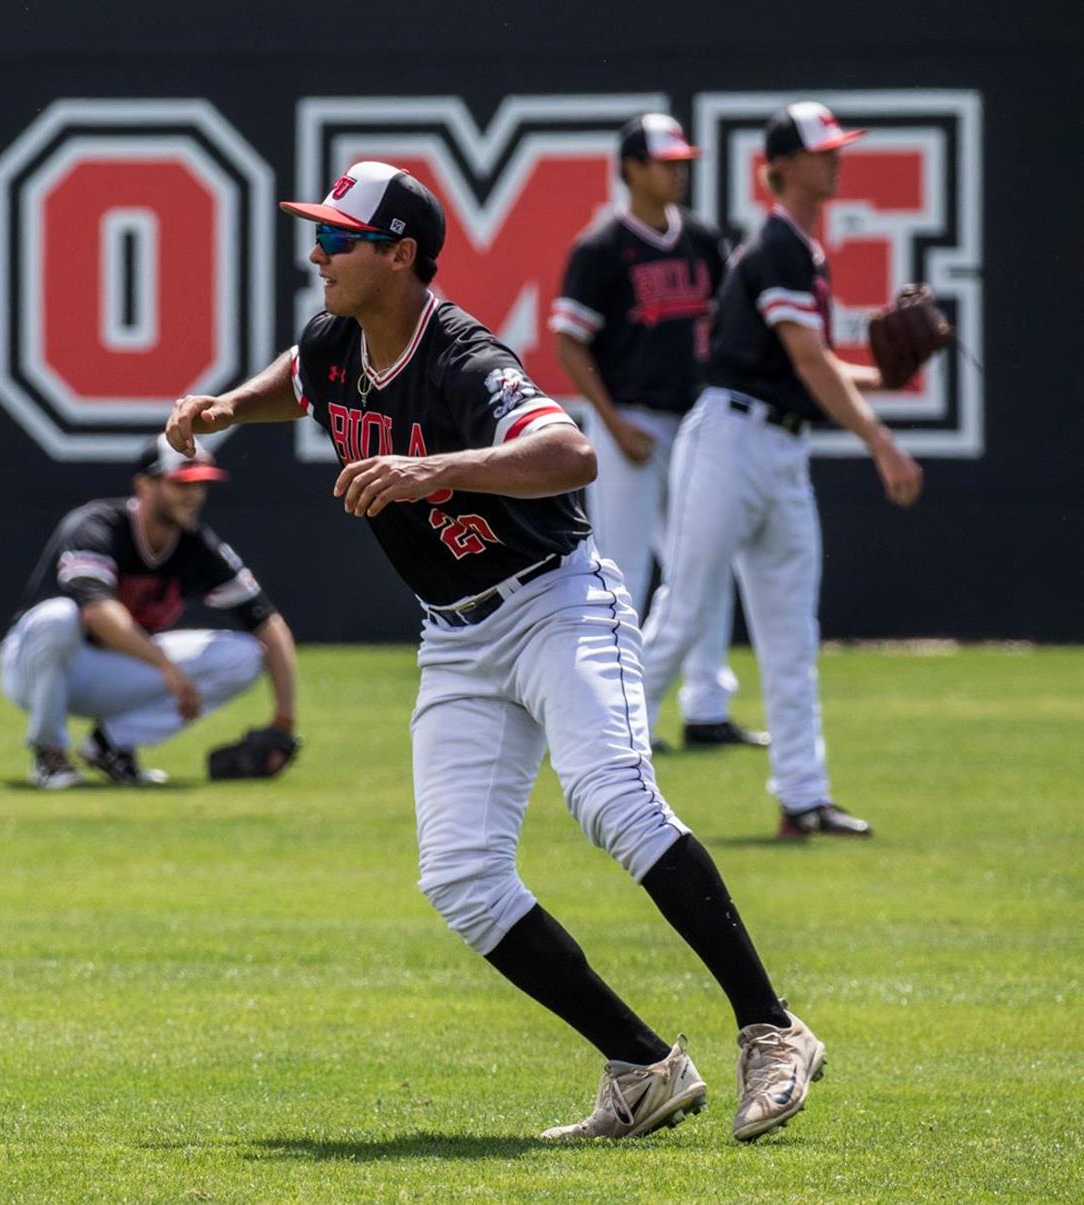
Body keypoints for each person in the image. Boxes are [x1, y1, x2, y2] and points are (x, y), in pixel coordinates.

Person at [164, 160, 826, 1142]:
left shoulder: (462, 357)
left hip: (555, 602)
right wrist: (226, 405)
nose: (318, 253)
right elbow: (298, 379)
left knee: (612, 800)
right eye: (318, 234)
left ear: (400, 255)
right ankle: (643, 1066)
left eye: (338, 238)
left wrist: (433, 466)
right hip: (455, 634)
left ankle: (771, 1028)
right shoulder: (334, 340)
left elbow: (571, 452)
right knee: (460, 875)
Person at [641, 103, 923, 840]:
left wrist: (880, 381)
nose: (836, 159)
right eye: (822, 151)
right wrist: (881, 440)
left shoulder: (804, 252)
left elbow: (813, 365)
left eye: (837, 148)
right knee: (685, 608)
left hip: (782, 449)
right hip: (729, 440)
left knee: (793, 634)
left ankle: (803, 797)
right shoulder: (776, 247)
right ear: (784, 167)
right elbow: (808, 359)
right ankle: (601, 763)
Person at [550, 113, 767, 750]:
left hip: (695, 423)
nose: (680, 172)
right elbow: (568, 343)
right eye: (667, 163)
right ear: (632, 169)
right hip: (630, 421)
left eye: (683, 162)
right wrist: (613, 423)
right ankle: (613, 716)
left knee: (706, 560)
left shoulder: (701, 239)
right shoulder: (601, 247)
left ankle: (706, 708)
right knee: (621, 575)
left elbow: (730, 324)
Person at [0, 436, 299, 789]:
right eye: (181, 483)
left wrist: (284, 722)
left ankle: (111, 744)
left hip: (109, 670)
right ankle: (49, 755)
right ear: (145, 486)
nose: (193, 495)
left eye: (200, 484)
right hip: (34, 669)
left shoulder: (197, 545)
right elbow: (97, 613)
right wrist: (166, 666)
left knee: (244, 656)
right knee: (58, 618)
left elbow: (267, 622)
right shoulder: (97, 526)